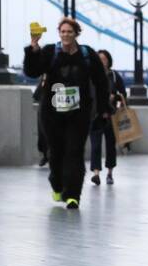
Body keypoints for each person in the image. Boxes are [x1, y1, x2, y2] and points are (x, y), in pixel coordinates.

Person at [24, 17, 110, 209]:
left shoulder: (87, 55)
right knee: (55, 153)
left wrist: (104, 109)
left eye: (69, 32)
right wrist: (33, 48)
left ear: (76, 34)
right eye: (62, 31)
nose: (65, 35)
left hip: (78, 114)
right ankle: (57, 184)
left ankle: (73, 195)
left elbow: (101, 83)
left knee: (74, 152)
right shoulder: (50, 52)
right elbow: (31, 71)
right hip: (52, 113)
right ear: (59, 33)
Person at [89, 48, 127, 186]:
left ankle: (110, 173)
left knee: (110, 146)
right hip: (95, 115)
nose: (101, 61)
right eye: (99, 59)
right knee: (95, 146)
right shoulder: (91, 75)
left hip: (111, 116)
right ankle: (96, 174)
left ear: (109, 61)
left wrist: (114, 96)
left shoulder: (115, 76)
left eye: (104, 59)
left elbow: (123, 95)